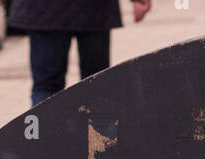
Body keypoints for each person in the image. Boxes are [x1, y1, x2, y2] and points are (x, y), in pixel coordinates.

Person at [9, 0, 152, 107]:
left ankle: (43, 143)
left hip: (44, 9)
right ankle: (101, 144)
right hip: (92, 9)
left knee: (46, 88)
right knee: (96, 85)